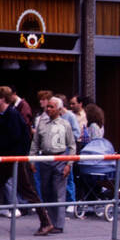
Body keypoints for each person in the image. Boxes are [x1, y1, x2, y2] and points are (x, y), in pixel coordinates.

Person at [0, 87, 52, 235]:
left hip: (13, 159)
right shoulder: (9, 114)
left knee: (26, 190)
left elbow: (14, 137)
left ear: (2, 99)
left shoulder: (11, 115)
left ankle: (46, 222)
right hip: (11, 158)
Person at [32, 96, 76, 233]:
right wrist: (32, 160)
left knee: (59, 192)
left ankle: (59, 224)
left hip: (60, 159)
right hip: (44, 159)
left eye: (52, 107)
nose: (48, 109)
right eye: (48, 107)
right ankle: (49, 221)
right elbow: (35, 143)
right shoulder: (42, 123)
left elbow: (72, 146)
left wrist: (69, 163)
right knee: (46, 191)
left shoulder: (65, 124)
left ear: (59, 109)